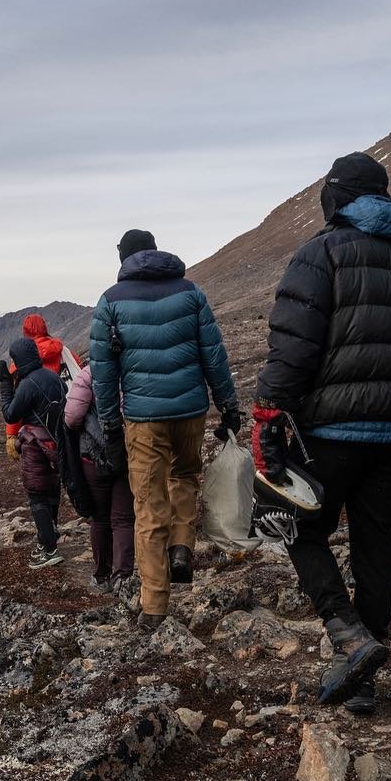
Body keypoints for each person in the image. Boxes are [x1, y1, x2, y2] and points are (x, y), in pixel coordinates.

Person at [253, 152, 391, 713]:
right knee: (374, 545)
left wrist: (269, 412)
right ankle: (364, 682)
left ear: (336, 199)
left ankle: (349, 636)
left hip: (329, 430)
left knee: (297, 527)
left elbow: (294, 348)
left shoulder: (320, 254)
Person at [89, 229, 239, 631]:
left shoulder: (111, 302)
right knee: (185, 476)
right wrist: (229, 405)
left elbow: (103, 375)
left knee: (148, 503)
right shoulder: (190, 292)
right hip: (191, 410)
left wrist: (109, 426)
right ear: (155, 252)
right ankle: (182, 548)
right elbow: (214, 354)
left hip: (143, 419)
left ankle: (154, 605)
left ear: (123, 258)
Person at [65, 362, 135, 593]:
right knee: (124, 519)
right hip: (126, 455)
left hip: (93, 457)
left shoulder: (88, 373)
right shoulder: (132, 367)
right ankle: (123, 577)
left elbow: (72, 418)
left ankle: (102, 575)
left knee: (100, 518)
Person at [0, 337, 68, 569]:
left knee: (37, 495)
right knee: (51, 492)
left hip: (36, 446)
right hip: (57, 445)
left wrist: (5, 385)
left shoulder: (28, 384)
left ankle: (49, 549)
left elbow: (10, 414)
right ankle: (48, 538)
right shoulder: (53, 377)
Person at [3, 313, 82, 461]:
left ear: (25, 333)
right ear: (45, 328)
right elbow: (82, 377)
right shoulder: (65, 352)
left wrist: (11, 435)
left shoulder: (19, 364)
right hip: (70, 421)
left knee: (39, 475)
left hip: (35, 433)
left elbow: (17, 402)